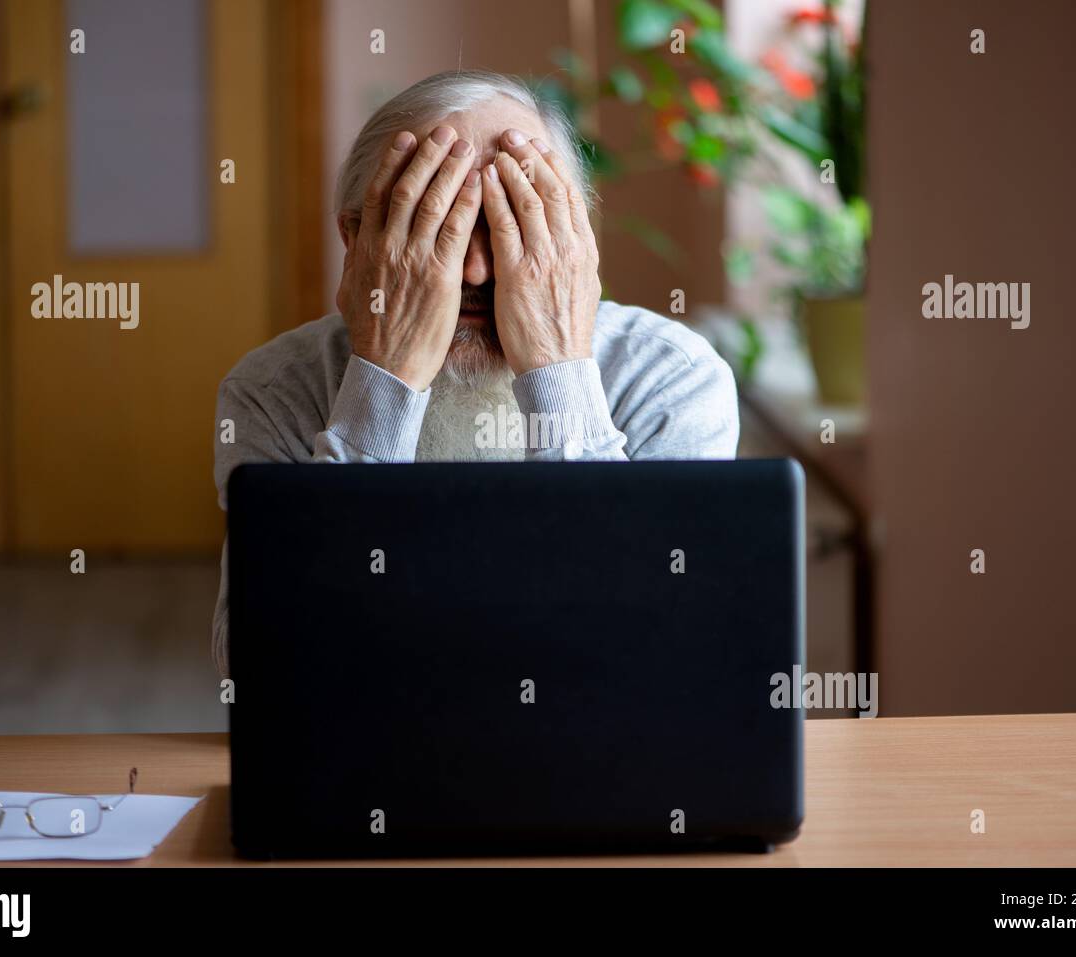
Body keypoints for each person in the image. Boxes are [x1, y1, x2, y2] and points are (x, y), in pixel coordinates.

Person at [211, 70, 739, 675]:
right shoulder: (273, 390)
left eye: (515, 219)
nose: (480, 271)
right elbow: (263, 674)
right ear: (355, 241)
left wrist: (556, 369)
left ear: (573, 235)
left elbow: (662, 657)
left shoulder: (670, 377)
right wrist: (385, 379)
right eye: (440, 226)